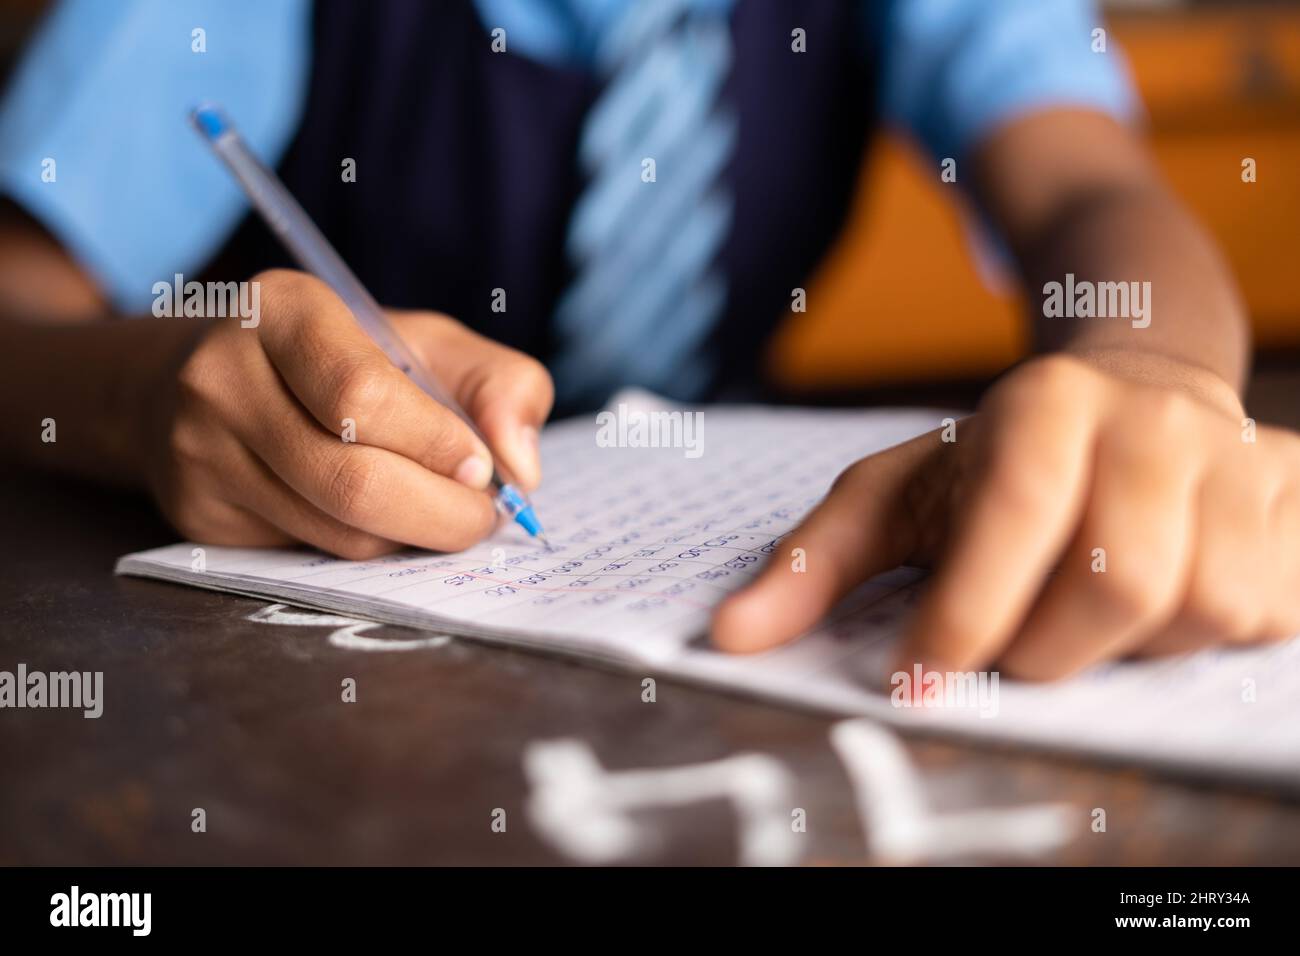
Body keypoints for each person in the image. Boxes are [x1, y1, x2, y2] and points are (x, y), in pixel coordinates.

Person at [1, 0, 1295, 680]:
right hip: (294, 596)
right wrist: (147, 385)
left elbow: (1089, 194)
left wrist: (1151, 367)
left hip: (698, 524)